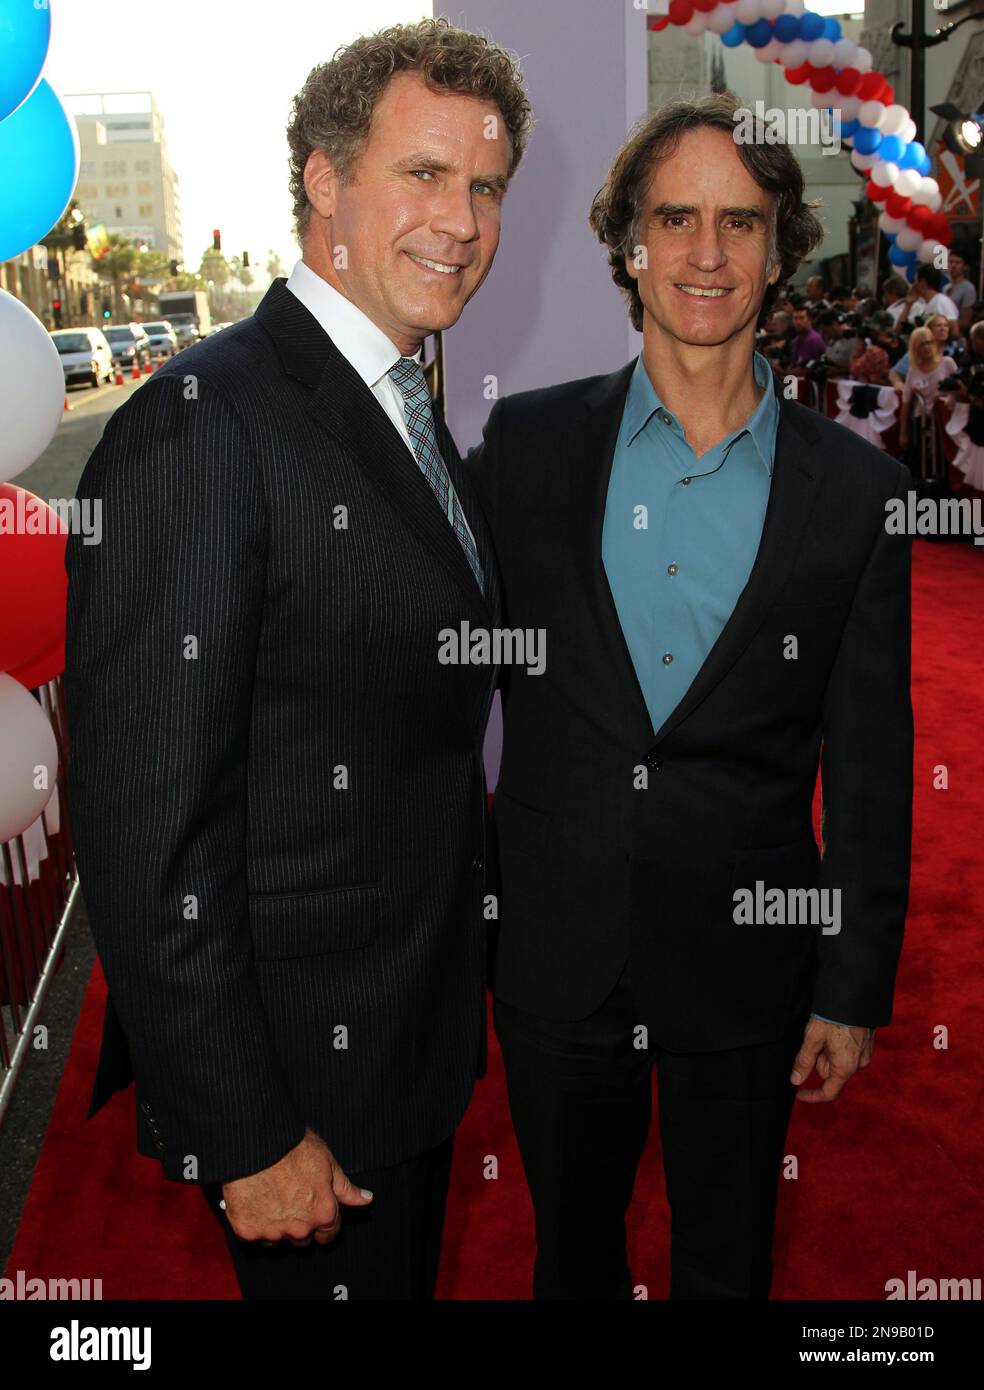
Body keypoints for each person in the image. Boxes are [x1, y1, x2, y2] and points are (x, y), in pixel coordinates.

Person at [64, 17, 531, 1301]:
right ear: (323, 179)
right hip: (297, 1082)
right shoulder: (203, 426)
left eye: (484, 186)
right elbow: (145, 825)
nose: (463, 219)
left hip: (405, 1035)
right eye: (424, 175)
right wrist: (246, 1129)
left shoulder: (395, 395)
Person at [468, 91, 913, 1301]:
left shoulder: (858, 494)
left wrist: (854, 980)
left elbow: (873, 765)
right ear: (627, 243)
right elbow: (425, 665)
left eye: (740, 222)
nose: (706, 255)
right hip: (559, 947)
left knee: (731, 1263)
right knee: (572, 1259)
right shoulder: (527, 451)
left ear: (780, 246)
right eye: (674, 218)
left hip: (750, 958)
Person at [898, 324, 958, 459]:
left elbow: (959, 388)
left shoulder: (947, 363)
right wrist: (903, 433)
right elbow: (906, 402)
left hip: (945, 419)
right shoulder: (913, 371)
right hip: (922, 421)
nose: (926, 347)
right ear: (915, 349)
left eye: (929, 342)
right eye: (921, 345)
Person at [896, 265, 960, 338]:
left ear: (922, 282)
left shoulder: (942, 302)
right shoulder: (922, 305)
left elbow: (954, 331)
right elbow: (897, 331)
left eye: (915, 280)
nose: (913, 285)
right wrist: (908, 305)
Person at [944, 251, 976, 332]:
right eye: (950, 262)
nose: (953, 265)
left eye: (957, 262)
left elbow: (965, 321)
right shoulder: (946, 287)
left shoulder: (968, 288)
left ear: (965, 267)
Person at [789, 302, 825, 367]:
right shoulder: (796, 340)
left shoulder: (813, 339)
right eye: (795, 318)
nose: (798, 322)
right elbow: (793, 364)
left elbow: (806, 370)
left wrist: (782, 371)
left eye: (801, 318)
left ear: (809, 320)